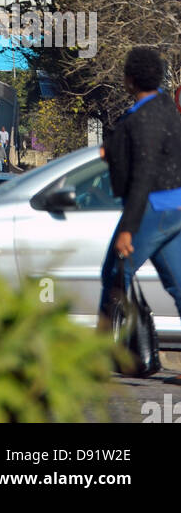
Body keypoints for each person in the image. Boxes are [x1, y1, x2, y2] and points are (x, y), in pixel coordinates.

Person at [98, 47, 181, 329]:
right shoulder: (165, 107)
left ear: (130, 80)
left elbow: (143, 176)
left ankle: (94, 361)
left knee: (114, 276)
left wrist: (127, 230)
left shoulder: (144, 119)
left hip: (154, 208)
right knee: (179, 285)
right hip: (174, 208)